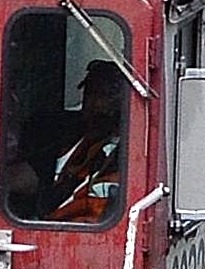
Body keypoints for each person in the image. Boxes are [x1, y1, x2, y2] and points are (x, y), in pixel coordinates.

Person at [14, 61, 131, 222]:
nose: (93, 102)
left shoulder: (126, 156)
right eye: (89, 93)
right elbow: (30, 174)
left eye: (103, 95)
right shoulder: (71, 134)